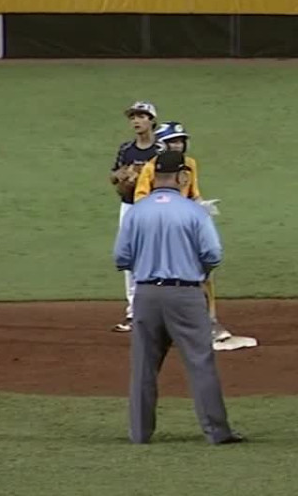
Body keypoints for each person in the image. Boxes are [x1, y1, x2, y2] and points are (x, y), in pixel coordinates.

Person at [114, 150, 244, 445]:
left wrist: (147, 263)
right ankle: (217, 433)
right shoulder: (194, 212)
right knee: (200, 362)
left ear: (153, 176)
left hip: (146, 295)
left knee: (143, 366)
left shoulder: (137, 212)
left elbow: (121, 257)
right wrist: (195, 268)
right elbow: (213, 254)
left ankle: (139, 433)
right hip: (185, 294)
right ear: (181, 176)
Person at [133, 122, 255, 352]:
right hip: (160, 229)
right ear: (162, 145)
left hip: (184, 226)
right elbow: (140, 201)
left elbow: (193, 194)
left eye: (180, 141)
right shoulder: (150, 169)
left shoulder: (190, 165)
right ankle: (173, 327)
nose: (178, 145)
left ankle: (209, 323)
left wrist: (201, 206)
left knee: (204, 275)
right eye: (172, 141)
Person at [110, 101, 162, 332]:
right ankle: (133, 313)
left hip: (156, 207)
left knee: (158, 254)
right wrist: (122, 175)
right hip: (129, 207)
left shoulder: (161, 149)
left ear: (152, 120)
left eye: (141, 116)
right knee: (130, 257)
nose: (136, 121)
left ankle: (160, 311)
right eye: (133, 117)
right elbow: (113, 176)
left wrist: (143, 177)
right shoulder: (126, 149)